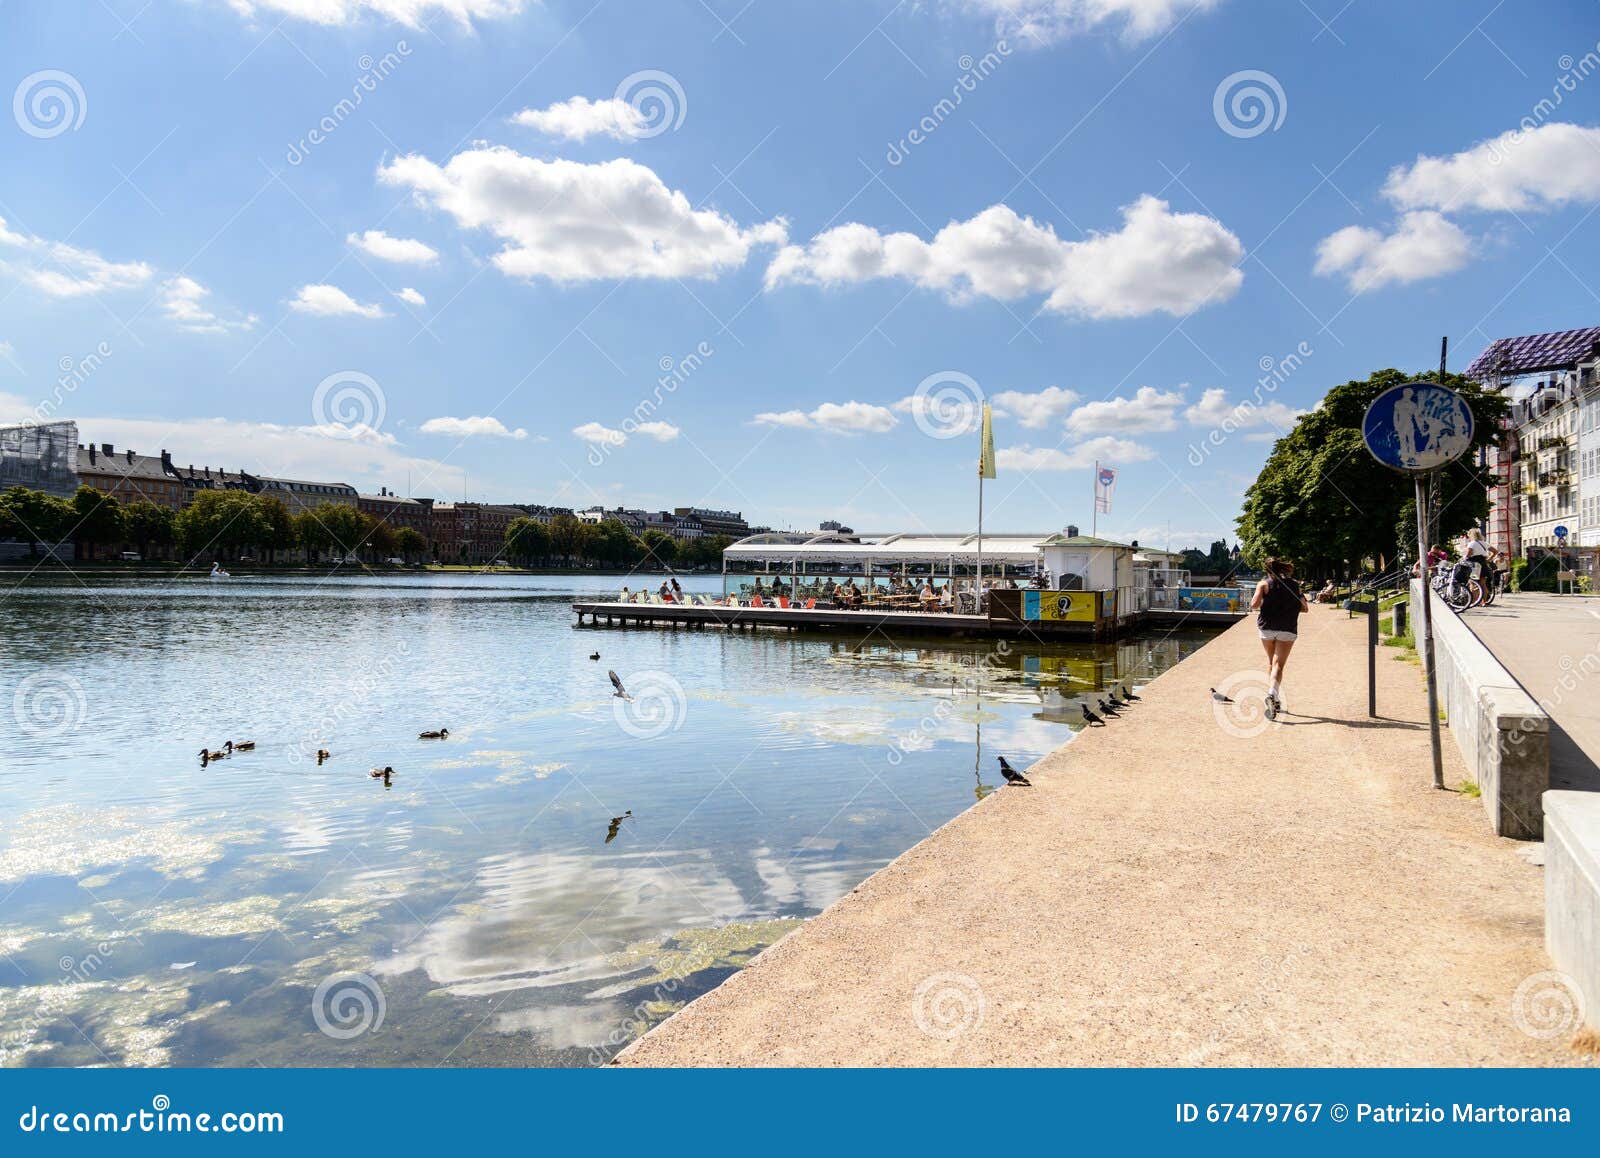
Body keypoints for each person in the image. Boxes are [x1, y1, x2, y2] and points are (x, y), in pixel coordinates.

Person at [1249, 557, 1308, 720]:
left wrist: (1265, 598)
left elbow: (1254, 605)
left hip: (1267, 628)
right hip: (1287, 628)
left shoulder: (1263, 584)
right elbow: (1305, 608)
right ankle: (1272, 694)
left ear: (1267, 570)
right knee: (1278, 665)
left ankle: (1274, 697)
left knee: (1272, 663)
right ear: (1282, 568)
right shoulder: (1294, 584)